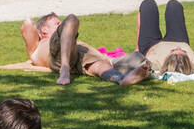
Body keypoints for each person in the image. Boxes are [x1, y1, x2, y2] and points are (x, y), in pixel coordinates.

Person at [18, 13, 150, 87]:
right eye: (57, 24)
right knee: (71, 19)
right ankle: (65, 69)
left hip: (79, 55)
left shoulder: (70, 39)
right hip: (57, 56)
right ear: (44, 30)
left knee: (99, 66)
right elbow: (28, 24)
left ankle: (121, 80)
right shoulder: (36, 48)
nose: (60, 25)